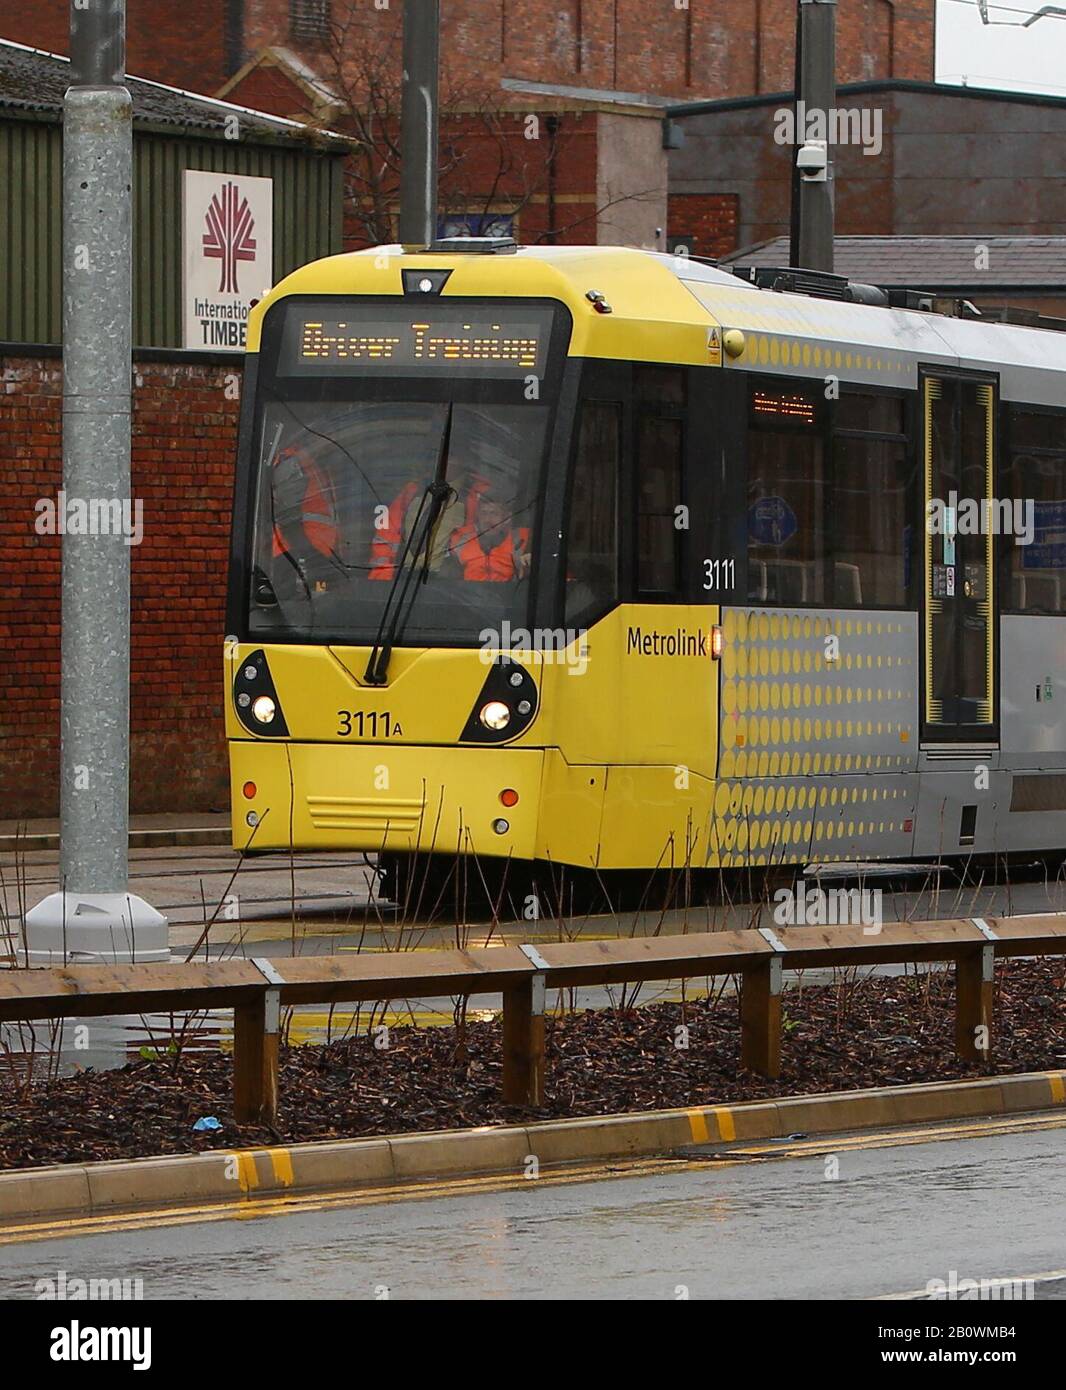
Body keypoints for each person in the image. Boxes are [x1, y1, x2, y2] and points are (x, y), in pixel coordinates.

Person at [270, 443, 339, 591]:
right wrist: (307, 552)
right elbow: (288, 517)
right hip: (300, 552)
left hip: (315, 552)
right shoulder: (293, 463)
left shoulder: (311, 463)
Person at [447, 484, 530, 581]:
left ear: (507, 517)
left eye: (494, 513)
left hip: (508, 593)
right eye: (484, 513)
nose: (487, 520)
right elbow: (448, 576)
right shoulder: (460, 540)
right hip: (467, 593)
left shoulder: (523, 540)